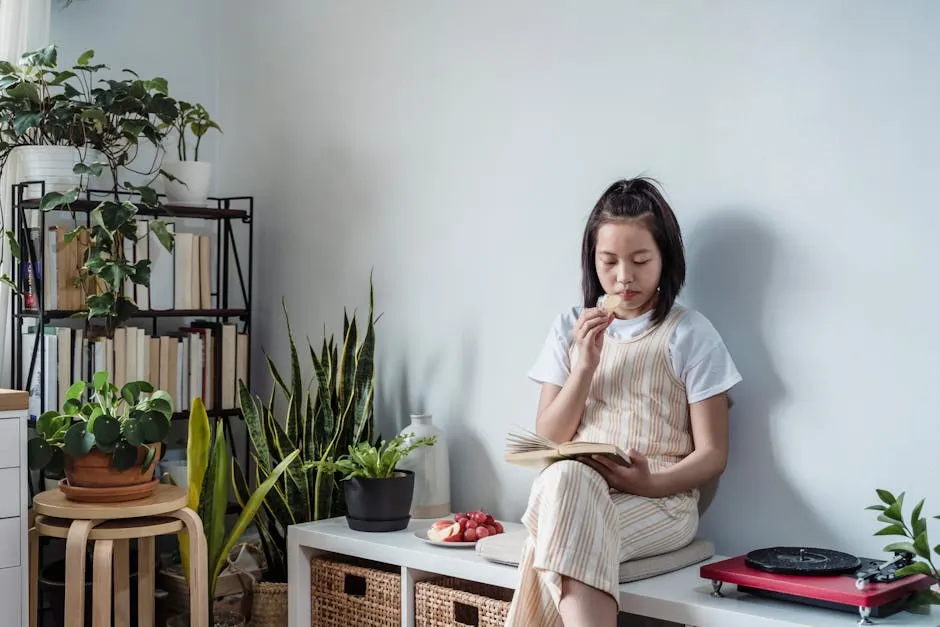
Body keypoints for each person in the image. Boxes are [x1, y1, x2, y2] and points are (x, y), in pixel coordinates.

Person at [504, 177, 742, 627]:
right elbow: (549, 437)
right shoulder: (570, 327)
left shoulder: (690, 333)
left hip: (661, 504)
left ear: (665, 260)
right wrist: (584, 366)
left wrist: (650, 483)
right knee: (567, 478)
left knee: (552, 535)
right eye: (608, 261)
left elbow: (714, 454)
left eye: (640, 260)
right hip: (572, 493)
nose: (623, 277)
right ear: (591, 261)